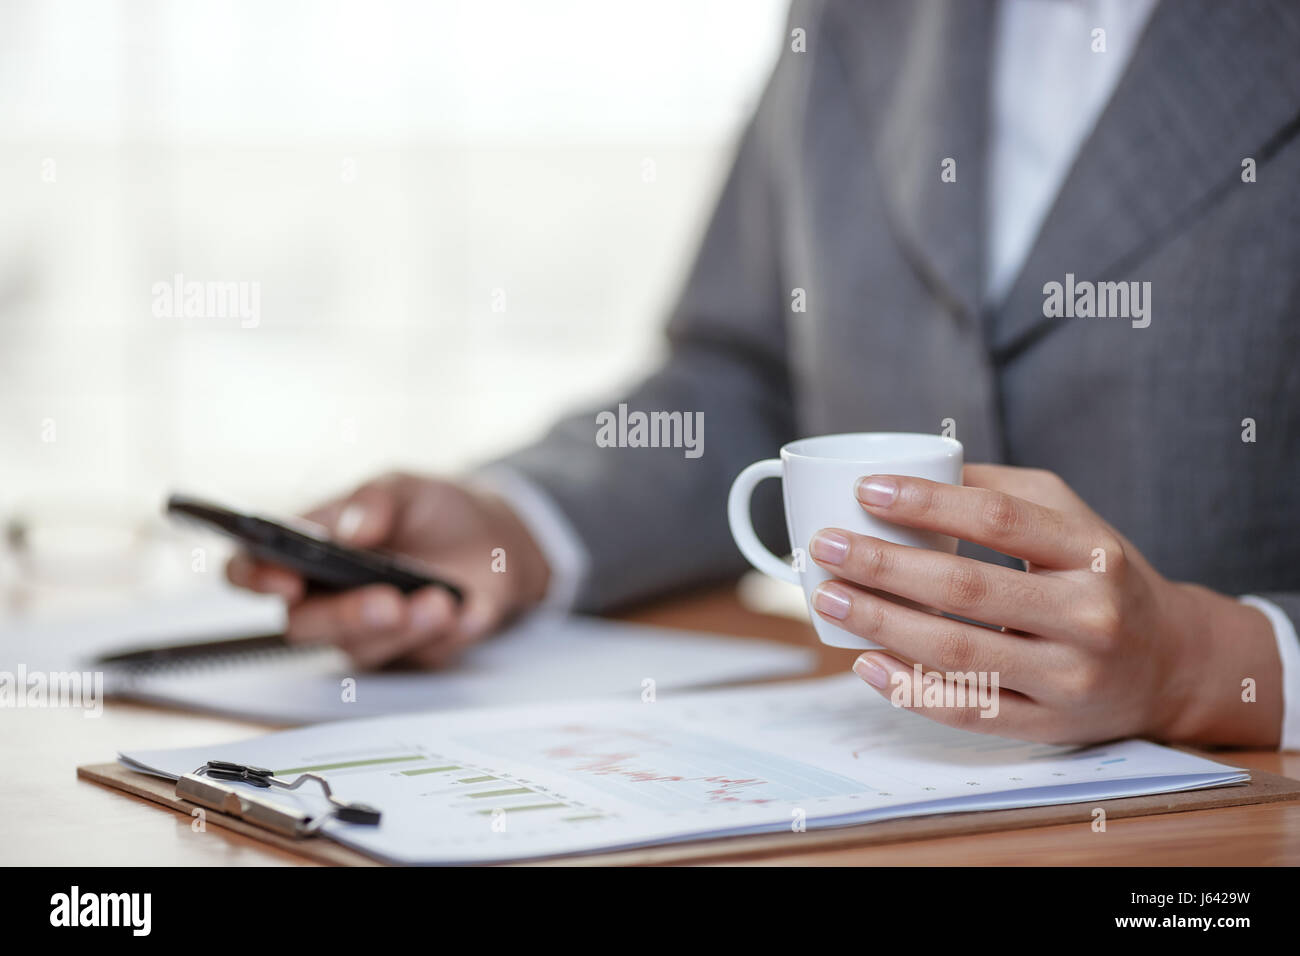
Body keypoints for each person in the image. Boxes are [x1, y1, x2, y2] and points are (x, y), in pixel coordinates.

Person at [229, 0, 1300, 749]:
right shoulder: (850, 14)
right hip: (886, 790)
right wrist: (519, 526)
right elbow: (747, 380)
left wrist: (1204, 664)